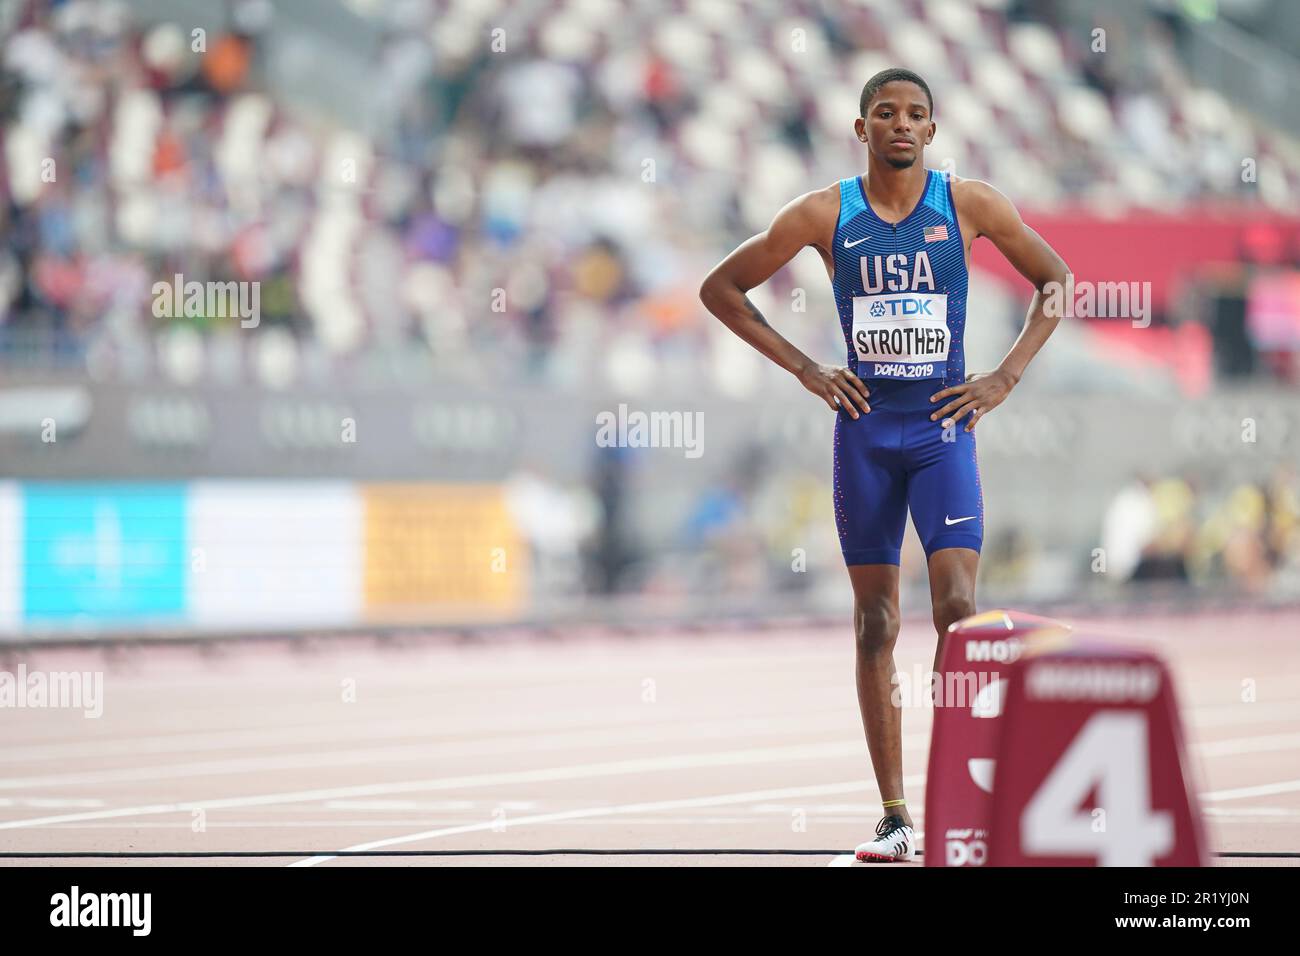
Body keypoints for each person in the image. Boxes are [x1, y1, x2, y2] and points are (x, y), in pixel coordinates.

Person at [698, 68, 1068, 862]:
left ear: (932, 132)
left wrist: (1005, 376)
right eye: (886, 113)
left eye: (916, 115)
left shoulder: (968, 204)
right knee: (875, 623)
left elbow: (1055, 282)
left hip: (943, 431)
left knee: (959, 610)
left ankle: (959, 802)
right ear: (860, 127)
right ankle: (897, 817)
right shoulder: (823, 214)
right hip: (865, 433)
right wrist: (805, 367)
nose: (902, 125)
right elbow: (720, 288)